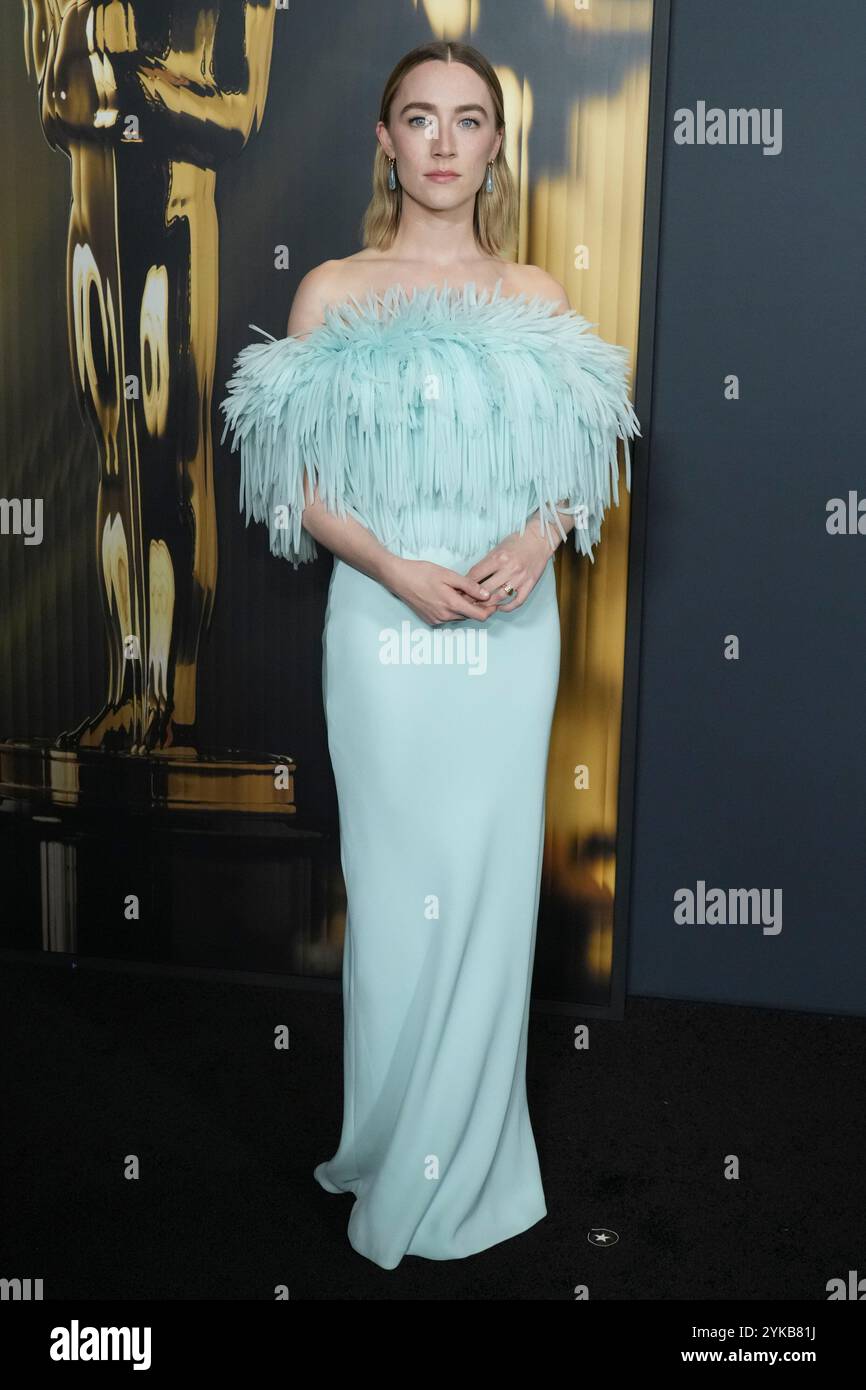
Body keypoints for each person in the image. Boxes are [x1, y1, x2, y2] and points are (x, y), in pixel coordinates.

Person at [220, 39, 639, 1270]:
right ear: (385, 141)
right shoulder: (334, 291)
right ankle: (391, 1144)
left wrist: (536, 537)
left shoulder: (534, 296)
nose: (443, 142)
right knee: (397, 896)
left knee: (489, 895)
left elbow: (581, 462)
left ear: (497, 146)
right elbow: (294, 484)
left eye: (467, 120)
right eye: (419, 118)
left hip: (507, 637)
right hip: (381, 629)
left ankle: (468, 1172)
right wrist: (392, 568)